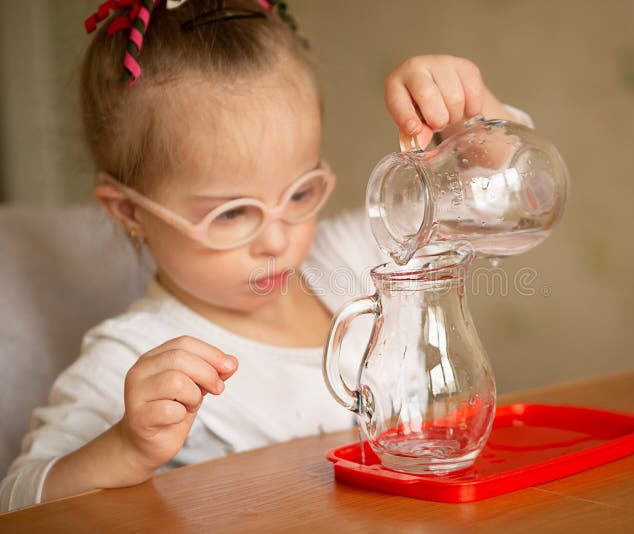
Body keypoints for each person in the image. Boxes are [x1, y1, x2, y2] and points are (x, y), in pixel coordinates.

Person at [0, 0, 531, 512]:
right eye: (232, 213)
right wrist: (125, 448)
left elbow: (506, 200)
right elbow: (17, 499)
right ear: (129, 213)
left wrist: (473, 116)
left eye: (299, 195)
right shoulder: (133, 357)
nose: (278, 241)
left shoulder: (357, 257)